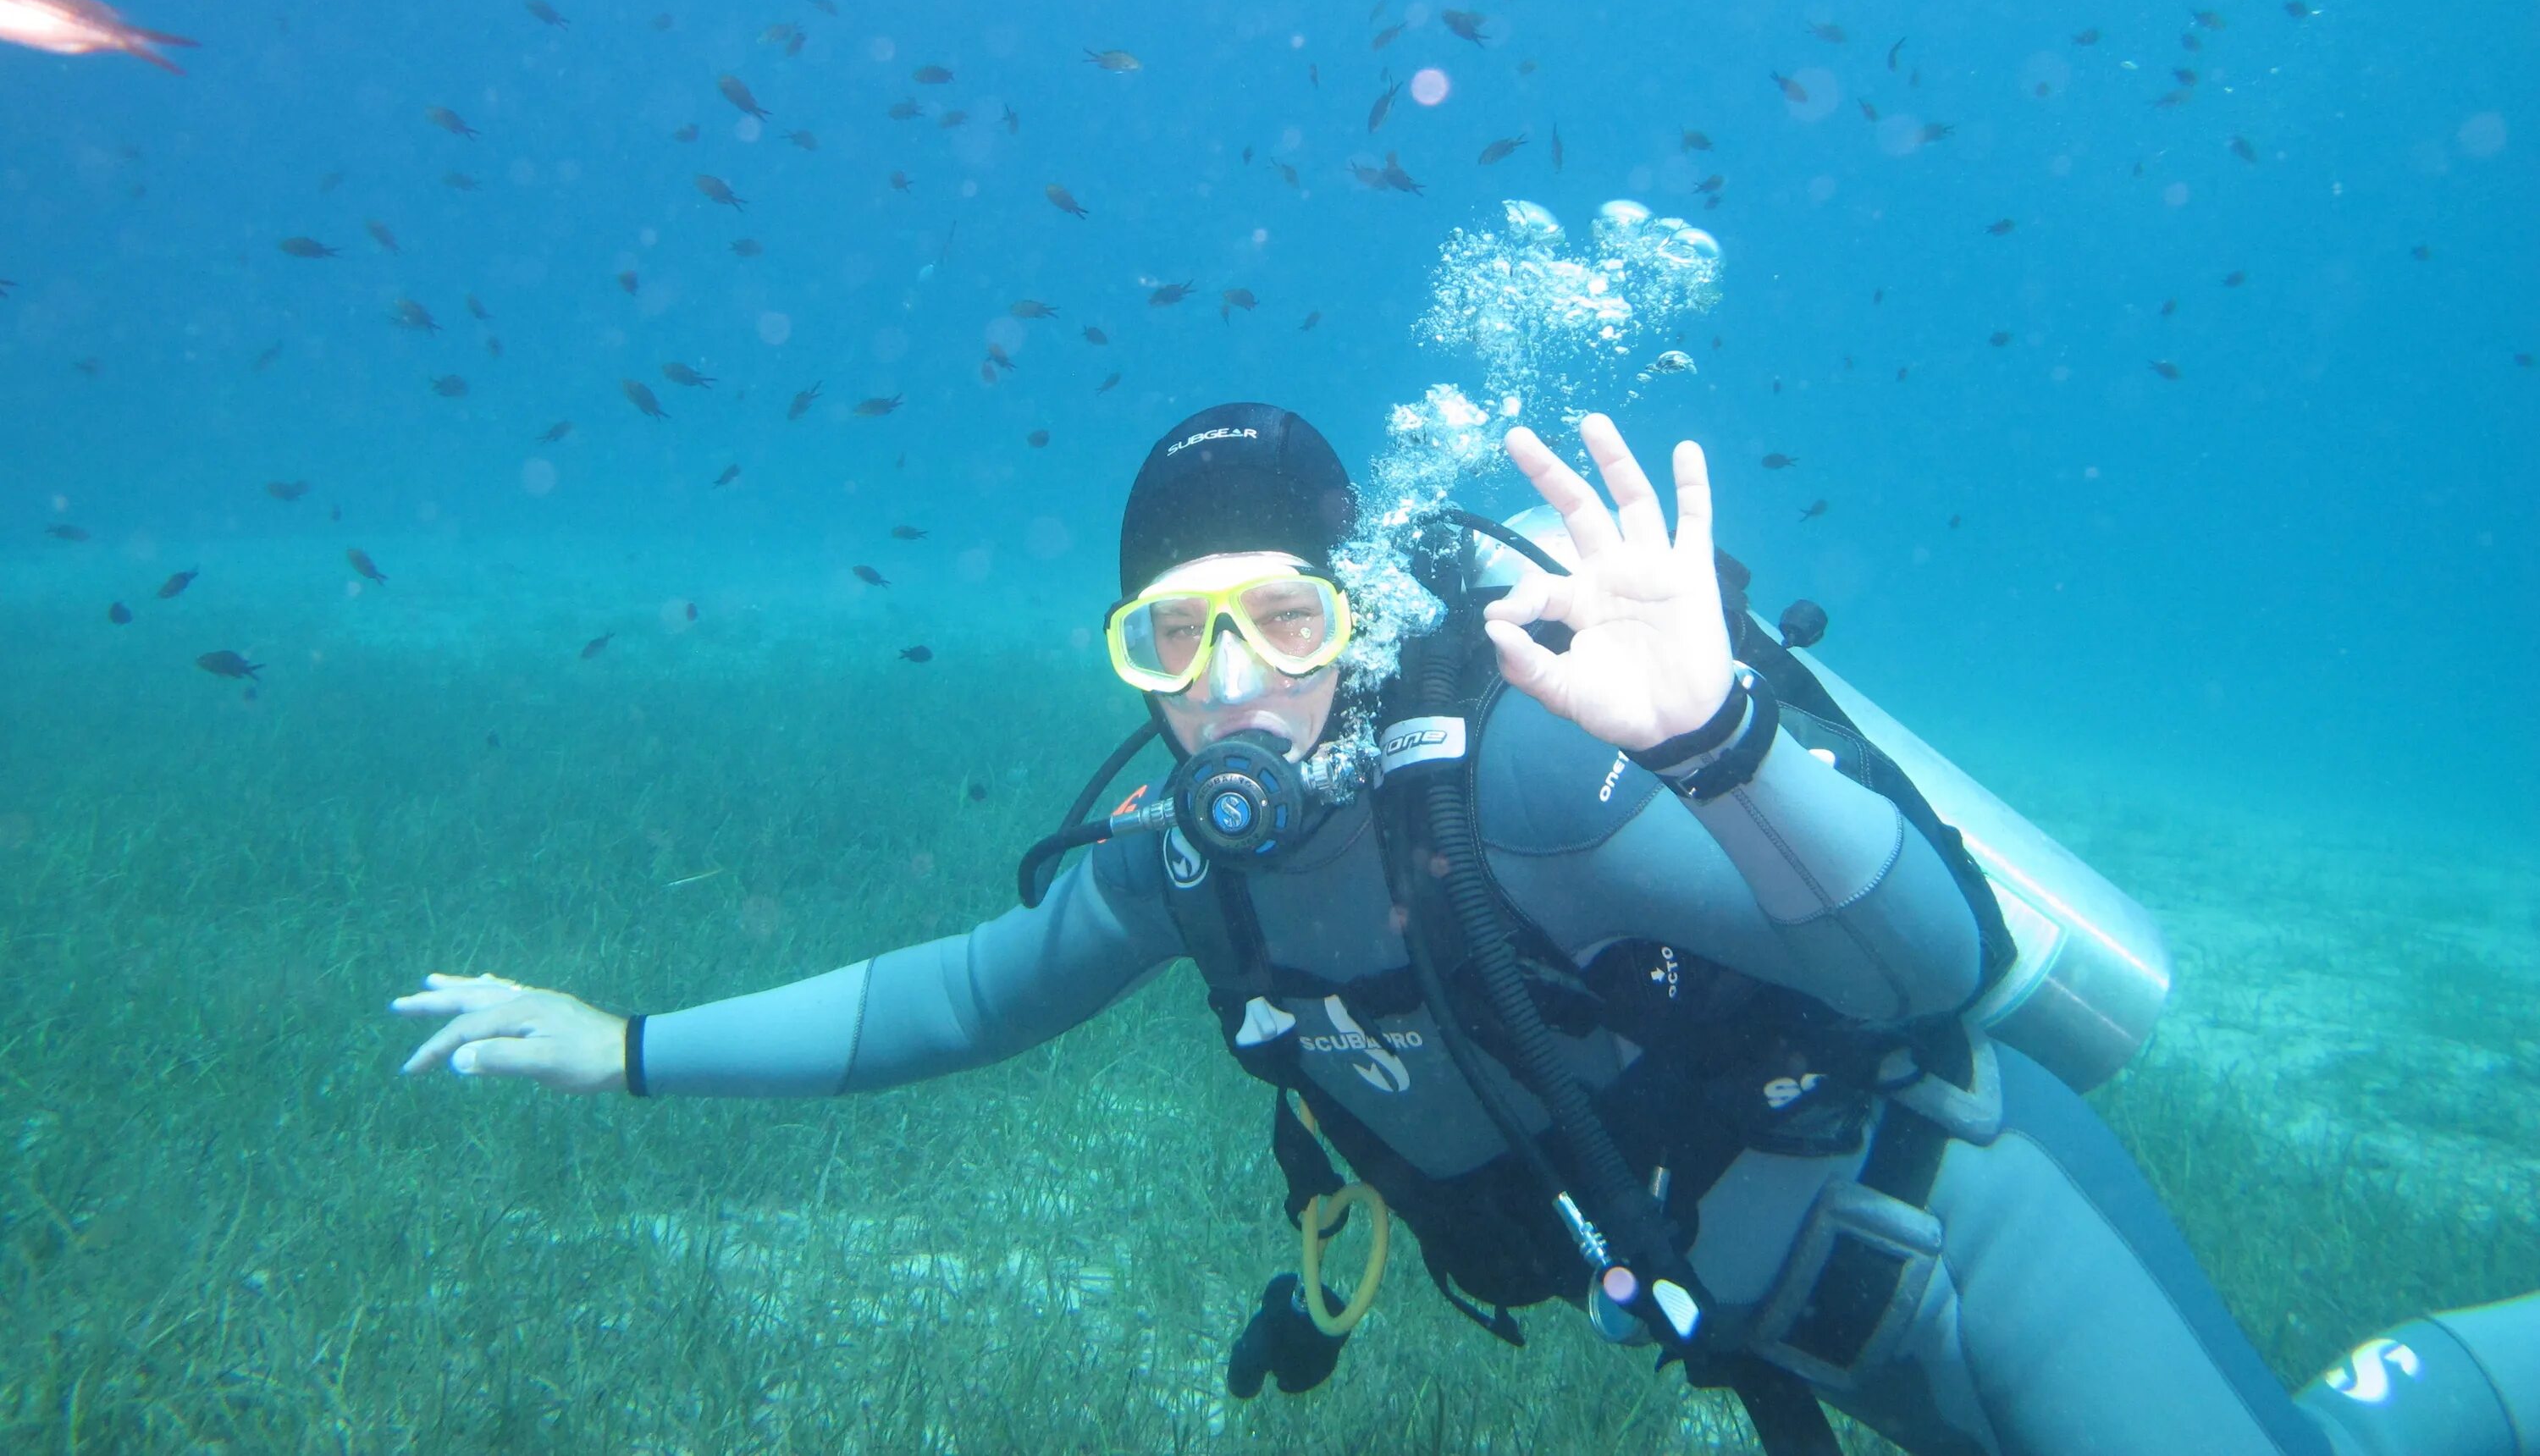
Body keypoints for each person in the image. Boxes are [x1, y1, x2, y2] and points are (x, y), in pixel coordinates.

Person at [395, 401, 2539, 1456]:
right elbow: (961, 994)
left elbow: (1936, 978)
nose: (1234, 686)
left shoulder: (1525, 779)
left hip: (1966, 1220)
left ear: (1362, 623)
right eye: (1175, 635)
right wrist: (629, 1043)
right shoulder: (1180, 864)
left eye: (1286, 621)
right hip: (1799, 1345)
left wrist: (1714, 742)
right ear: (1130, 661)